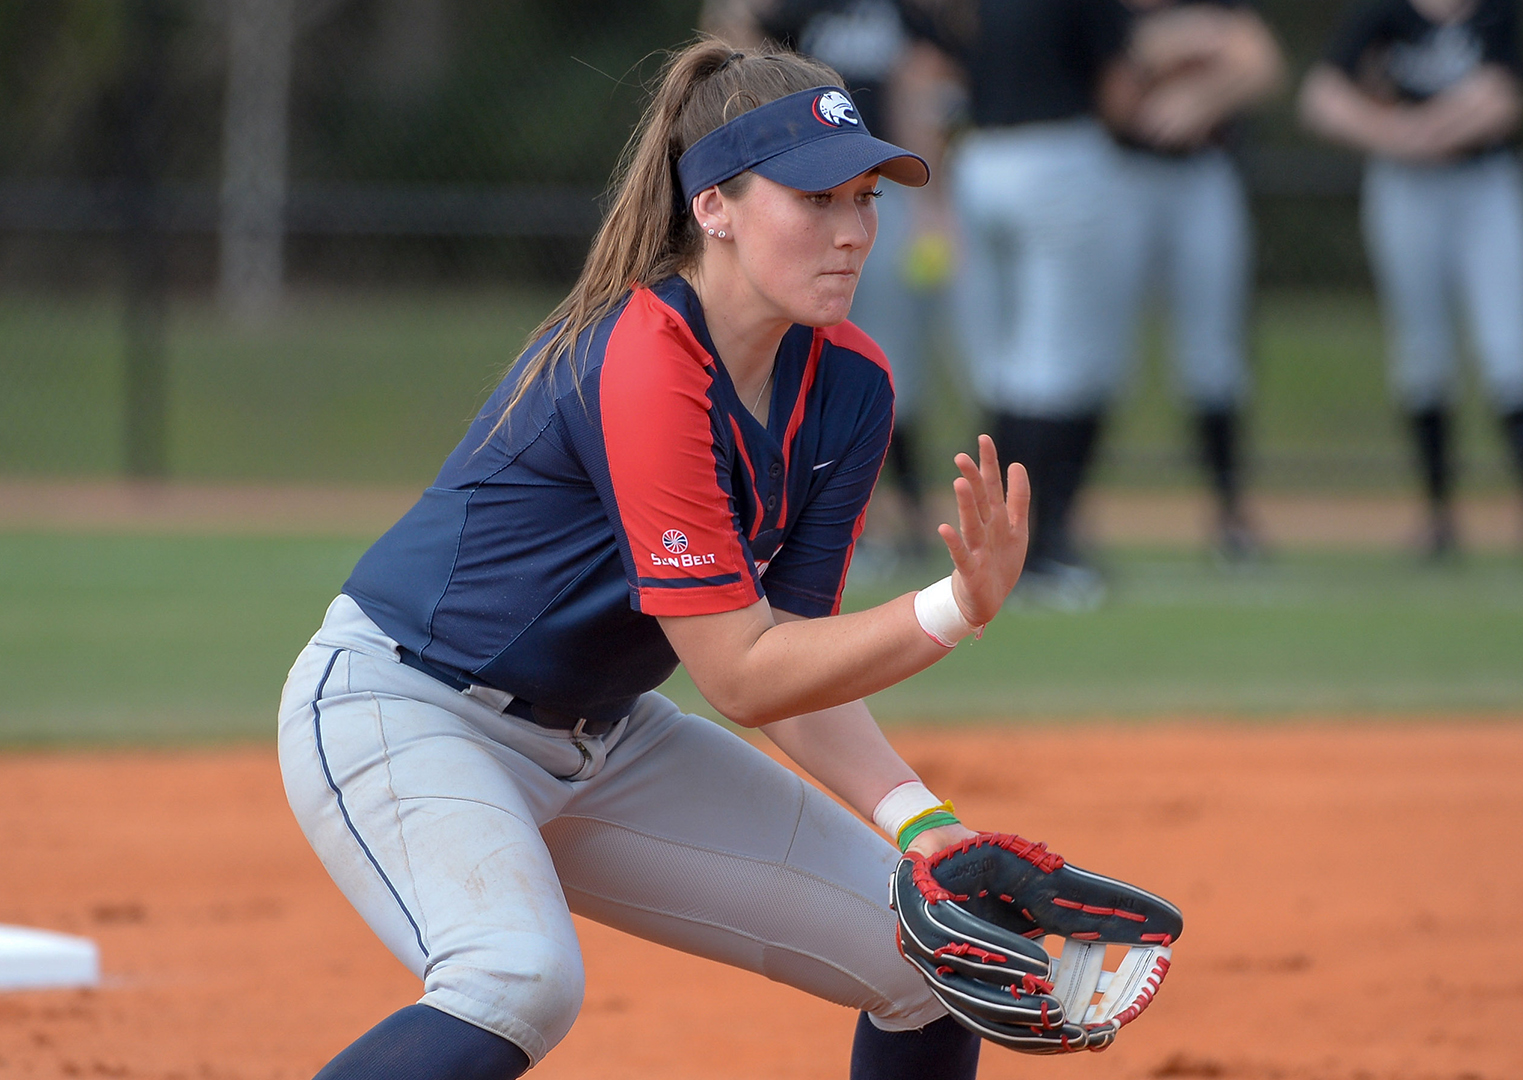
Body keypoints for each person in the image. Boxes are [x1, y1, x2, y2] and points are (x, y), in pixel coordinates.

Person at [275, 40, 1028, 1080]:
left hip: (606, 737)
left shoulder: (849, 384)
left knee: (936, 961)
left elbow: (789, 658)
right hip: (410, 708)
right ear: (713, 206)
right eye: (814, 199)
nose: (854, 231)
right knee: (515, 980)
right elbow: (739, 674)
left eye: (864, 198)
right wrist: (953, 608)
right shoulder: (642, 356)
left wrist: (921, 820)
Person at [1299, 0, 1523, 561]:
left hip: (1486, 184)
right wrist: (1394, 132)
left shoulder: (1497, 11)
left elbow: (1502, 99)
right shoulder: (1383, 12)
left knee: (1511, 351)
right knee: (1423, 355)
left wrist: (1423, 129)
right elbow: (1320, 98)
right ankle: (1439, 517)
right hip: (1405, 191)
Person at [897, 0, 1146, 608]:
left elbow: (932, 76)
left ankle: (997, 540)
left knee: (1003, 366)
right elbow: (1121, 94)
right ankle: (1037, 548)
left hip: (980, 160)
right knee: (1053, 363)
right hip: (1061, 154)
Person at [705, 0, 957, 567]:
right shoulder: (795, 8)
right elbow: (722, 60)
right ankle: (816, 517)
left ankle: (905, 509)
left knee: (886, 359)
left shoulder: (896, 10)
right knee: (803, 355)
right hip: (796, 195)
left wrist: (931, 203)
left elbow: (919, 85)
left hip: (877, 186)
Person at [1097, 0, 1284, 563]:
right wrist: (1173, 44)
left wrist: (1200, 96)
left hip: (1201, 174)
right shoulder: (1102, 11)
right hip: (1118, 175)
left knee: (1214, 356)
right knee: (1098, 355)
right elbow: (1105, 93)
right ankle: (1065, 513)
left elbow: (1265, 65)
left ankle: (1230, 512)